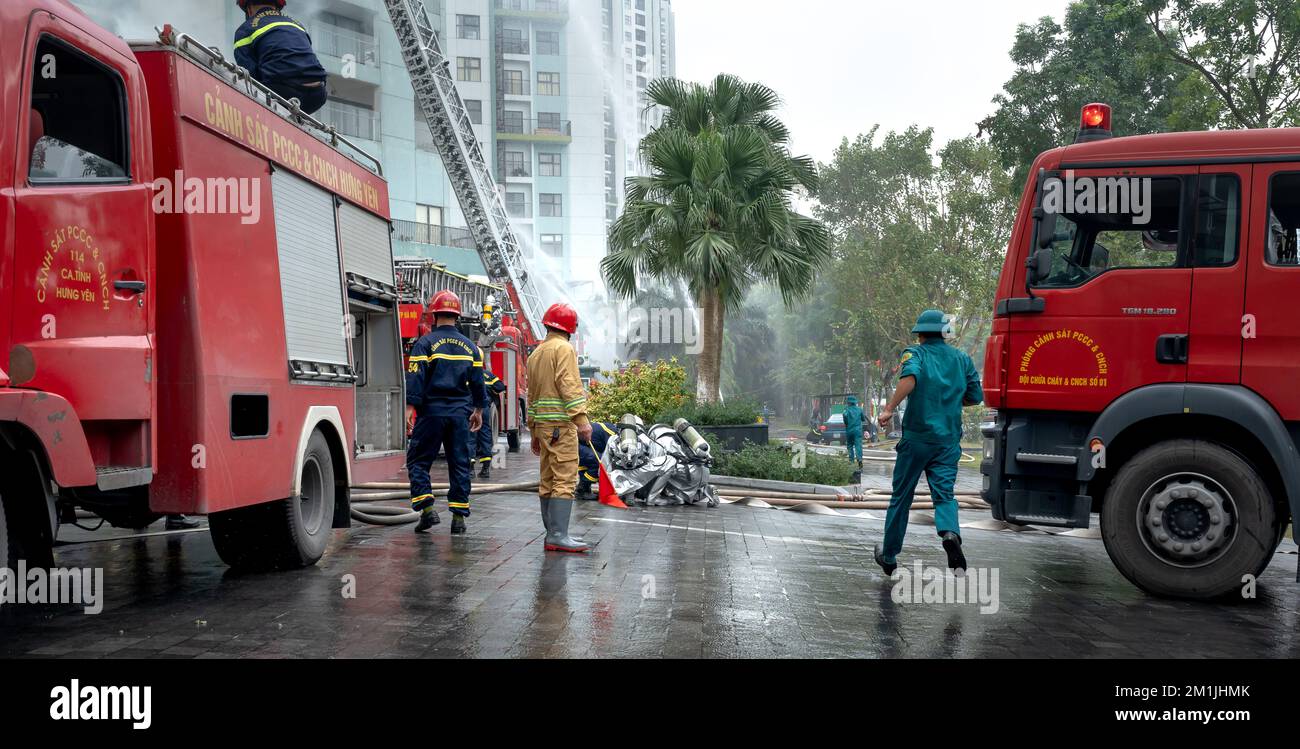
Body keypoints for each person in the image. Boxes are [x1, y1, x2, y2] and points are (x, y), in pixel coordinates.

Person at [873, 309, 983, 575]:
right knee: (944, 495)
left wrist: (888, 408)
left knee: (901, 497)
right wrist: (951, 399)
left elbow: (910, 379)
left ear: (920, 333)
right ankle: (950, 534)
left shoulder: (916, 353)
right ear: (945, 333)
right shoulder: (962, 358)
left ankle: (889, 556)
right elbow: (975, 396)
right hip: (947, 441)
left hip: (917, 439)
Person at [405, 290, 486, 535]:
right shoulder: (471, 347)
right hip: (460, 414)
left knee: (419, 461)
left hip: (431, 413)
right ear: (457, 316)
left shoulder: (425, 343)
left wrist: (410, 407)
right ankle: (459, 518)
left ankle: (427, 511)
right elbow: (478, 382)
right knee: (460, 463)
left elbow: (416, 377)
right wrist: (479, 410)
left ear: (434, 314)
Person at [526, 303, 592, 552]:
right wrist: (581, 420)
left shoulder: (536, 353)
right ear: (570, 328)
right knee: (565, 477)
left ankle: (552, 533)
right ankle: (558, 535)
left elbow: (531, 395)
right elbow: (569, 384)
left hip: (543, 427)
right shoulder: (564, 349)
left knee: (548, 479)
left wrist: (533, 430)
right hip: (560, 427)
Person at [233, 1, 329, 115]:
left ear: (248, 9)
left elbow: (250, 78)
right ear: (277, 7)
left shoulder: (245, 29)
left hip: (284, 91)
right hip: (318, 94)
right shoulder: (298, 25)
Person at [475, 353, 508, 480]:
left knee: (470, 438)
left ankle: (470, 469)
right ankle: (485, 469)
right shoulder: (488, 375)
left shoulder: (467, 373)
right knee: (485, 437)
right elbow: (499, 386)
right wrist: (492, 392)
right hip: (485, 409)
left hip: (470, 409)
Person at [576, 422, 618, 500]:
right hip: (576, 442)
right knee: (598, 462)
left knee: (588, 462)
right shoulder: (614, 435)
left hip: (580, 442)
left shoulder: (613, 430)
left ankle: (584, 490)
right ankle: (582, 489)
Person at [842, 396, 865, 468]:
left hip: (849, 430)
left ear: (848, 403)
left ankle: (851, 461)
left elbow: (845, 418)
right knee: (858, 445)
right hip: (857, 431)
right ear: (855, 402)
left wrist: (847, 423)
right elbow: (863, 419)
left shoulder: (846, 410)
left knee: (850, 445)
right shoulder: (859, 409)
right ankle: (859, 459)